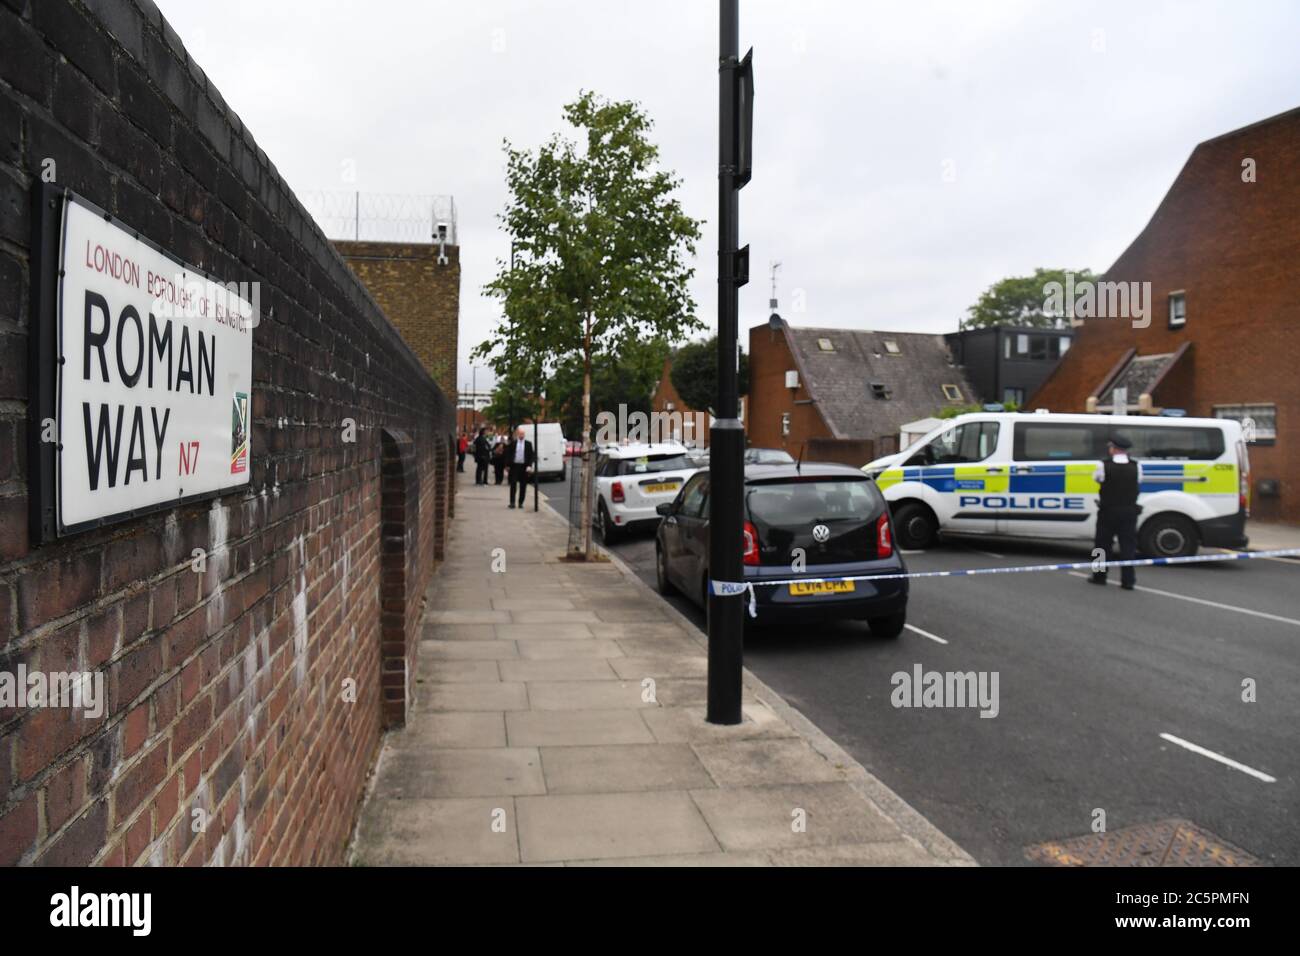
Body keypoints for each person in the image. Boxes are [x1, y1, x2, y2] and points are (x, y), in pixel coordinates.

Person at [1089, 432, 1140, 590]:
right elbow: (1138, 482)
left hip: (1108, 511)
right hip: (1129, 511)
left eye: (1110, 447)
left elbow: (1097, 479)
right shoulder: (1136, 466)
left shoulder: (1103, 465)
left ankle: (1099, 576)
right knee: (1128, 546)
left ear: (1114, 448)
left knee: (1102, 544)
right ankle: (1128, 581)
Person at [506, 426, 535, 509]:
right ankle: (512, 502)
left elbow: (531, 456)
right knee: (513, 484)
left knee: (523, 486)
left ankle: (520, 502)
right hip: (514, 466)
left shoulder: (528, 444)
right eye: (520, 434)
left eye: (523, 434)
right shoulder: (513, 443)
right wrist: (507, 465)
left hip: (524, 466)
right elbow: (509, 454)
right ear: (517, 434)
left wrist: (529, 466)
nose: (521, 435)